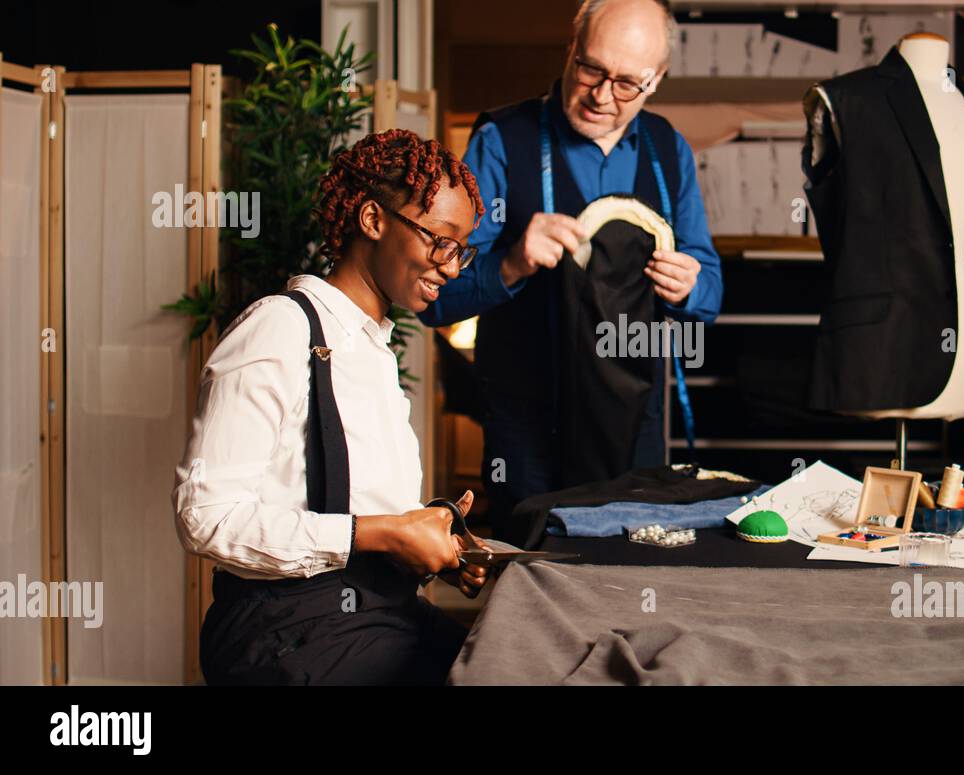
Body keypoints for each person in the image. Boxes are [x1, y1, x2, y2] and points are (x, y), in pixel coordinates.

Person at [173, 129, 490, 685]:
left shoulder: (373, 349)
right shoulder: (278, 327)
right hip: (284, 633)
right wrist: (385, 534)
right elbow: (205, 517)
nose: (452, 266)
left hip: (374, 615)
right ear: (372, 220)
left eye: (461, 249)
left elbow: (359, 505)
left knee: (506, 663)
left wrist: (431, 544)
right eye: (440, 240)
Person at [422, 0, 724, 535]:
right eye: (591, 69)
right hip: (528, 420)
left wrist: (689, 286)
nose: (603, 96)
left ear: (657, 81)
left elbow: (711, 292)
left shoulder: (668, 150)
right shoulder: (501, 140)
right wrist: (511, 263)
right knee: (530, 578)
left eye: (627, 83)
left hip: (636, 421)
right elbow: (437, 296)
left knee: (632, 573)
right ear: (571, 50)